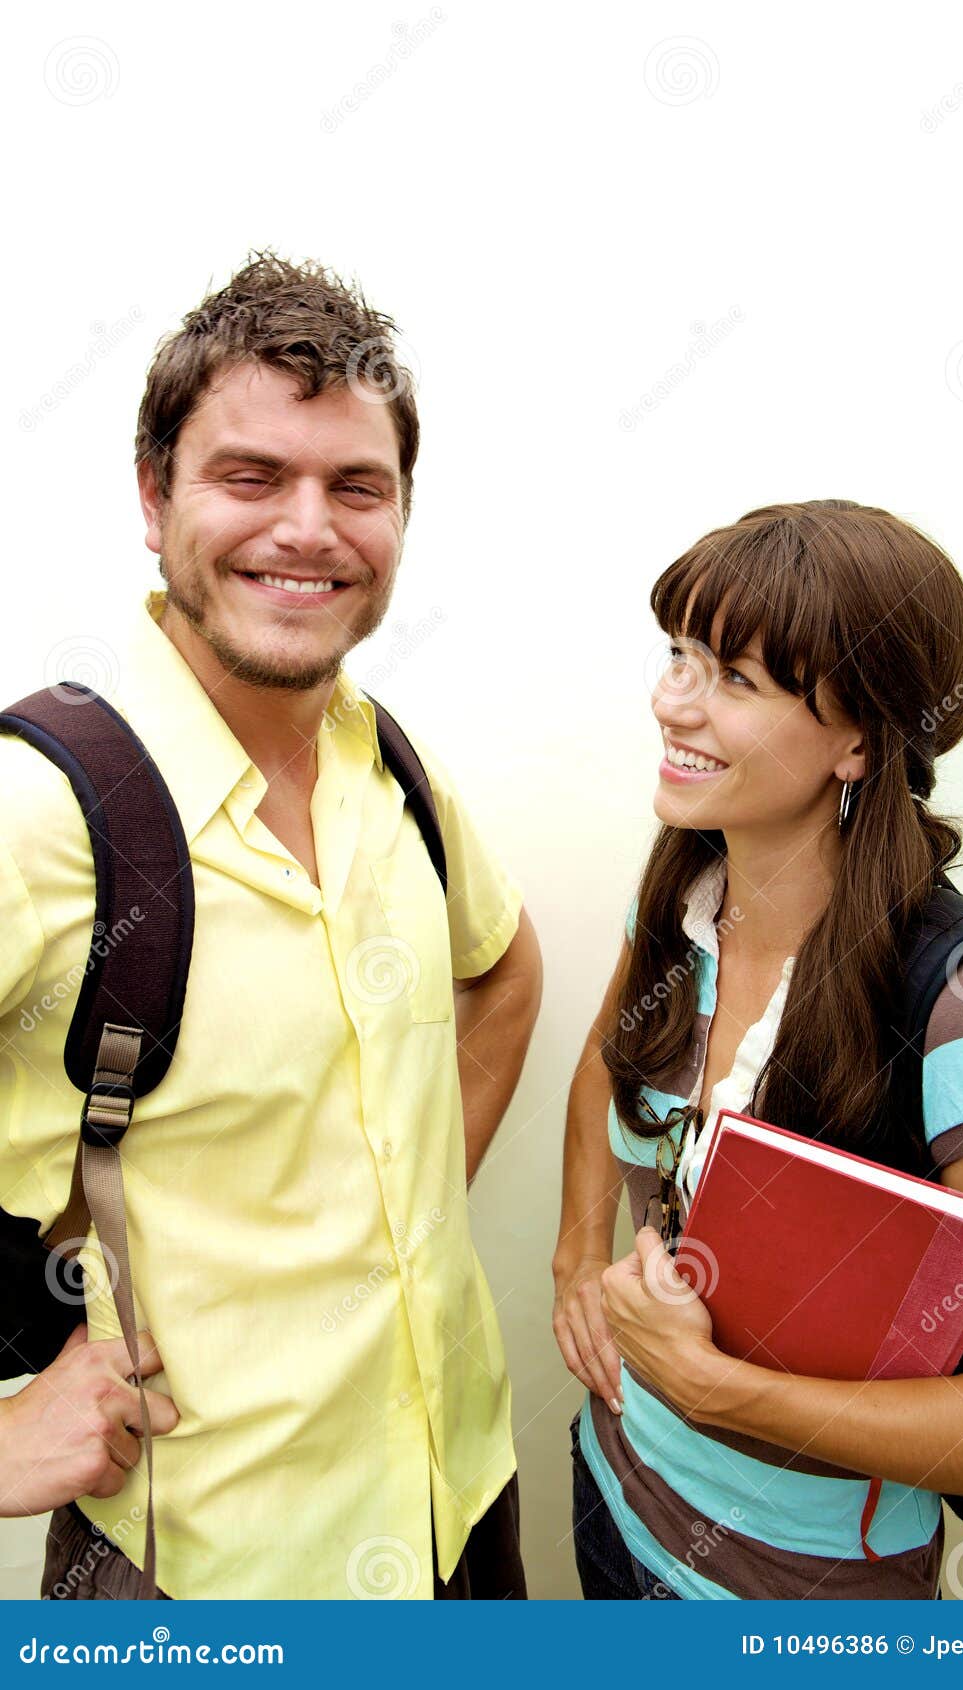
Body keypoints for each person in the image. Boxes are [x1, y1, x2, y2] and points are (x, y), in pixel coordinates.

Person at [0, 251, 542, 1600]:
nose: (308, 528)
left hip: (460, 1504)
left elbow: (506, 976)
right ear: (153, 496)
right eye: (250, 477)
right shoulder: (37, 809)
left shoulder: (387, 764)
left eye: (355, 487)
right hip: (206, 1570)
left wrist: (379, 1243)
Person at [553, 499, 963, 1600]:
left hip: (789, 1592)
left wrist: (706, 1385)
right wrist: (571, 1260)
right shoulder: (688, 897)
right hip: (611, 1490)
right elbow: (609, 1060)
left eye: (735, 679)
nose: (672, 702)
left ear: (860, 741)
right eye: (680, 654)